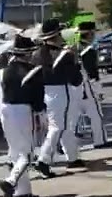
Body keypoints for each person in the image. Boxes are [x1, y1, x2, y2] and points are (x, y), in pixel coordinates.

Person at [0, 35, 43, 197]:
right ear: (27, 53)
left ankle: (23, 192)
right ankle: (10, 182)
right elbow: (37, 97)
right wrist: (40, 115)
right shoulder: (32, 70)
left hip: (6, 109)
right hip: (22, 110)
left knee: (15, 152)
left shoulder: (4, 70)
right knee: (27, 155)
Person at [33, 21, 85, 176]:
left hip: (46, 91)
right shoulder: (64, 54)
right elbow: (76, 79)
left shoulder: (37, 54)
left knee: (64, 125)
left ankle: (73, 157)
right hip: (61, 91)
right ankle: (43, 159)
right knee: (57, 127)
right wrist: (75, 59)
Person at [76, 21, 112, 148]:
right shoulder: (89, 50)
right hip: (88, 87)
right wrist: (99, 90)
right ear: (90, 33)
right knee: (96, 115)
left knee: (74, 117)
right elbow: (93, 72)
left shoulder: (75, 48)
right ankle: (100, 141)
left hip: (75, 87)